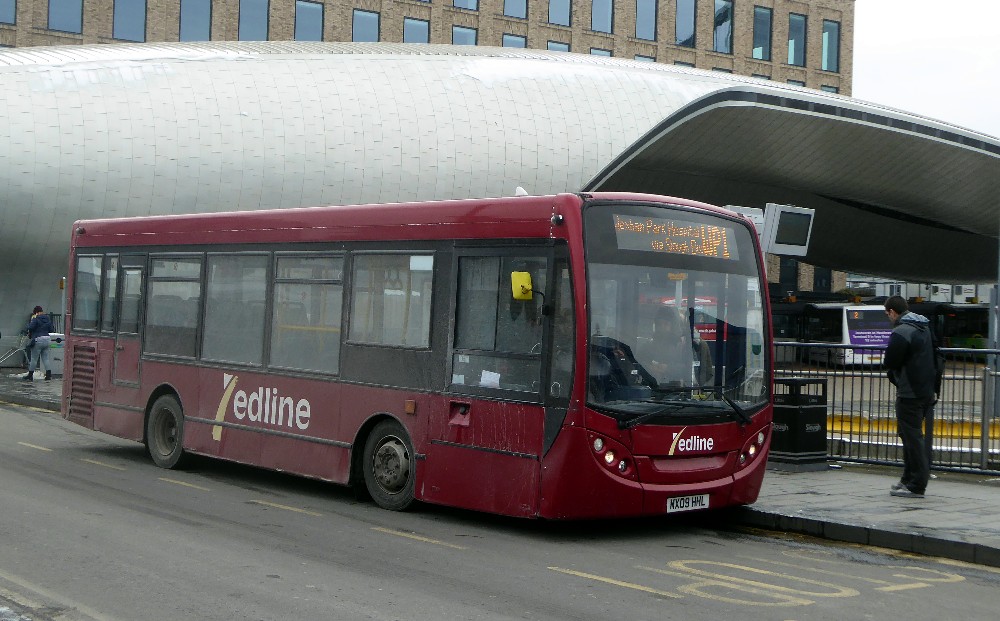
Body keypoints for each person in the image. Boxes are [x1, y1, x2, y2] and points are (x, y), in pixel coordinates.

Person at [883, 295, 936, 498]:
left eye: (887, 314)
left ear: (892, 312)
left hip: (909, 393)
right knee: (909, 435)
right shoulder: (924, 328)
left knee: (912, 439)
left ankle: (917, 485)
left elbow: (890, 360)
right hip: (925, 391)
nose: (888, 318)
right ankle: (907, 479)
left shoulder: (902, 330)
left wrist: (895, 376)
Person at [638, 307, 713, 388]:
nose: (661, 327)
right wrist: (650, 368)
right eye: (659, 324)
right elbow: (638, 361)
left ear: (673, 325)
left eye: (666, 324)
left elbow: (700, 372)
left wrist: (668, 368)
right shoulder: (649, 345)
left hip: (682, 393)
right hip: (653, 392)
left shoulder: (688, 345)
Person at [22, 305, 53, 382]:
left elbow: (30, 328)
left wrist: (28, 325)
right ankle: (48, 376)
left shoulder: (36, 319)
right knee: (45, 358)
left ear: (36, 312)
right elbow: (51, 329)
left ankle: (30, 375)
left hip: (38, 339)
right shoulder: (48, 319)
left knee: (34, 359)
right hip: (47, 339)